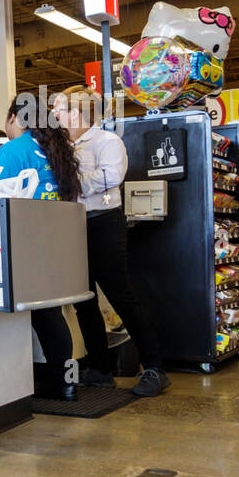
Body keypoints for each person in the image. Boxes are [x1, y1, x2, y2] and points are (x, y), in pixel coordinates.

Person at [53, 85, 170, 398]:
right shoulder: (60, 146)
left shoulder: (107, 141)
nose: (54, 115)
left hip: (104, 222)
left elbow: (110, 178)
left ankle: (155, 368)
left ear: (77, 113)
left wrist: (68, 182)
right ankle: (100, 370)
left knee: (120, 295)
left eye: (60, 110)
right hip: (71, 224)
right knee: (84, 299)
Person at [0, 95, 82, 400]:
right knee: (50, 314)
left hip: (22, 240)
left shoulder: (13, 150)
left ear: (14, 117)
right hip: (55, 240)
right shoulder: (57, 149)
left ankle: (14, 388)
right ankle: (67, 383)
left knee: (17, 314)